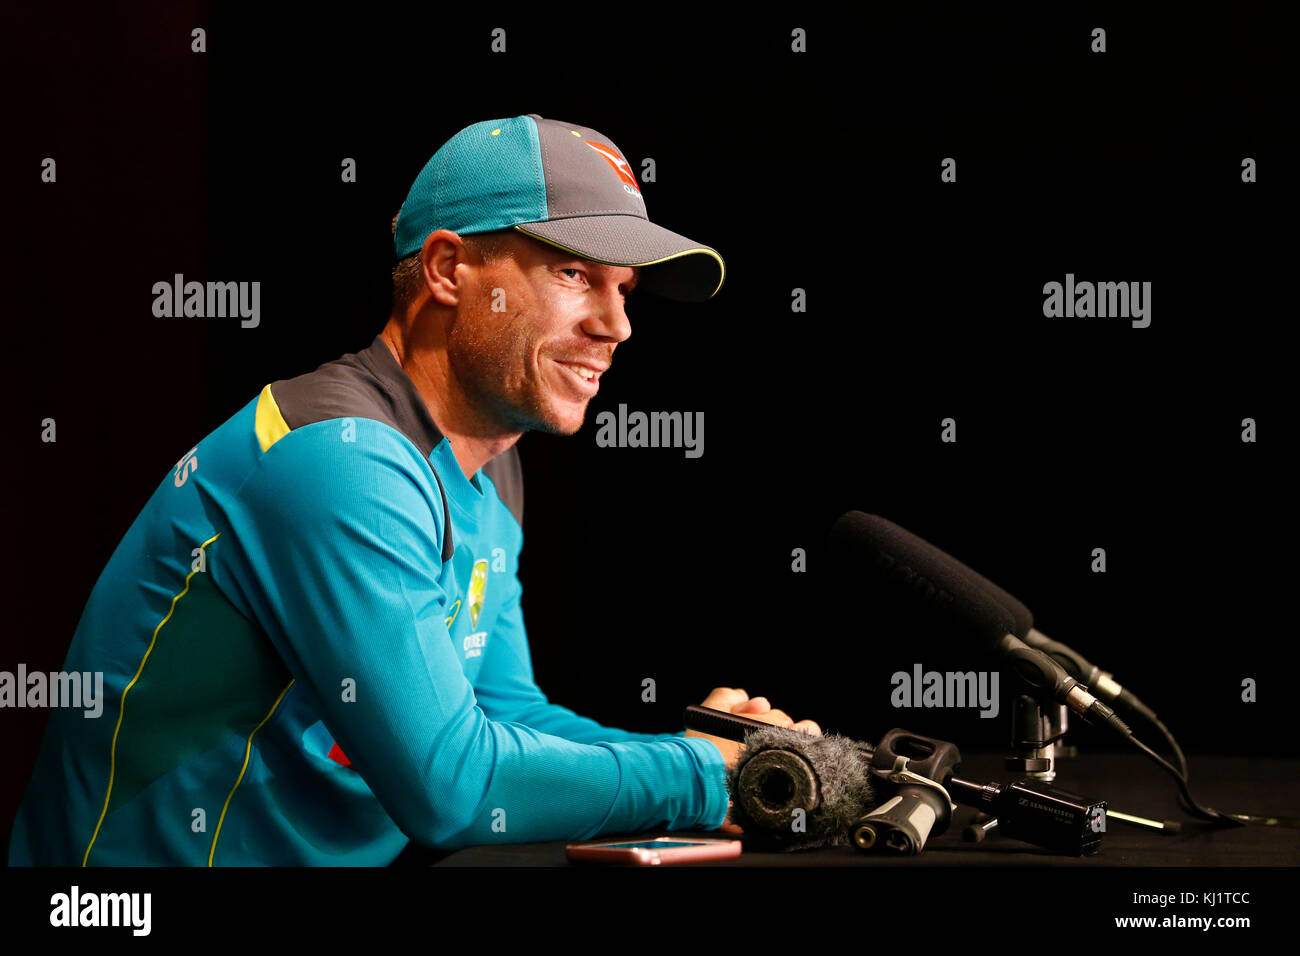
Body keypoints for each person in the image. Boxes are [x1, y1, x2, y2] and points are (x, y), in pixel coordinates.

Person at [8, 114, 817, 866]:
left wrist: (709, 758)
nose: (617, 325)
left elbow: (504, 718)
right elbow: (451, 788)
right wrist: (703, 774)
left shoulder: (488, 465)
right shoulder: (338, 459)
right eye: (575, 273)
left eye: (624, 289)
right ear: (447, 269)